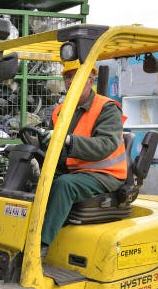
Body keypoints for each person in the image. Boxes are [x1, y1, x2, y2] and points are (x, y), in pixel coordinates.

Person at [39, 60, 127, 258]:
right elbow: (59, 149)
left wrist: (68, 141)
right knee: (36, 181)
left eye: (77, 76)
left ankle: (40, 247)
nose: (71, 81)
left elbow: (105, 145)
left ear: (91, 80)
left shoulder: (108, 108)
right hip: (76, 169)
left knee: (64, 185)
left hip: (105, 173)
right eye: (67, 77)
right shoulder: (60, 111)